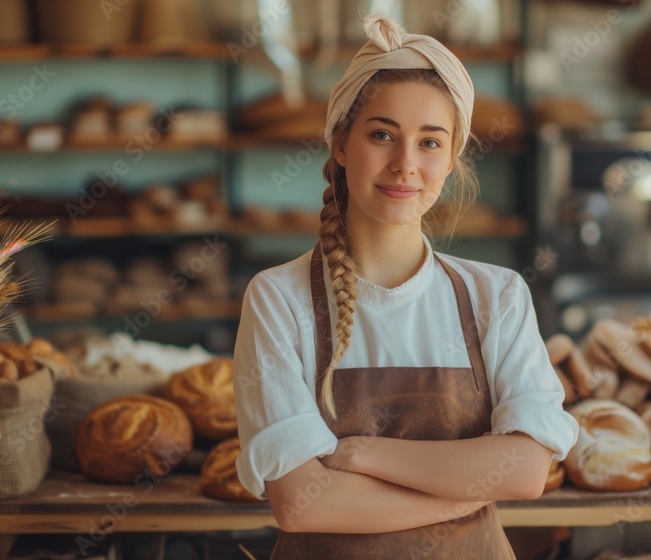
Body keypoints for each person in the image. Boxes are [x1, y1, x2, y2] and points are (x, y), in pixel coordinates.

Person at [233, 15, 579, 559]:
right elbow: (303, 504)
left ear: (451, 159)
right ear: (341, 144)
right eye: (381, 134)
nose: (405, 165)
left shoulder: (499, 296)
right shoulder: (279, 299)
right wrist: (465, 494)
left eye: (430, 142)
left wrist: (366, 454)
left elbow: (525, 470)